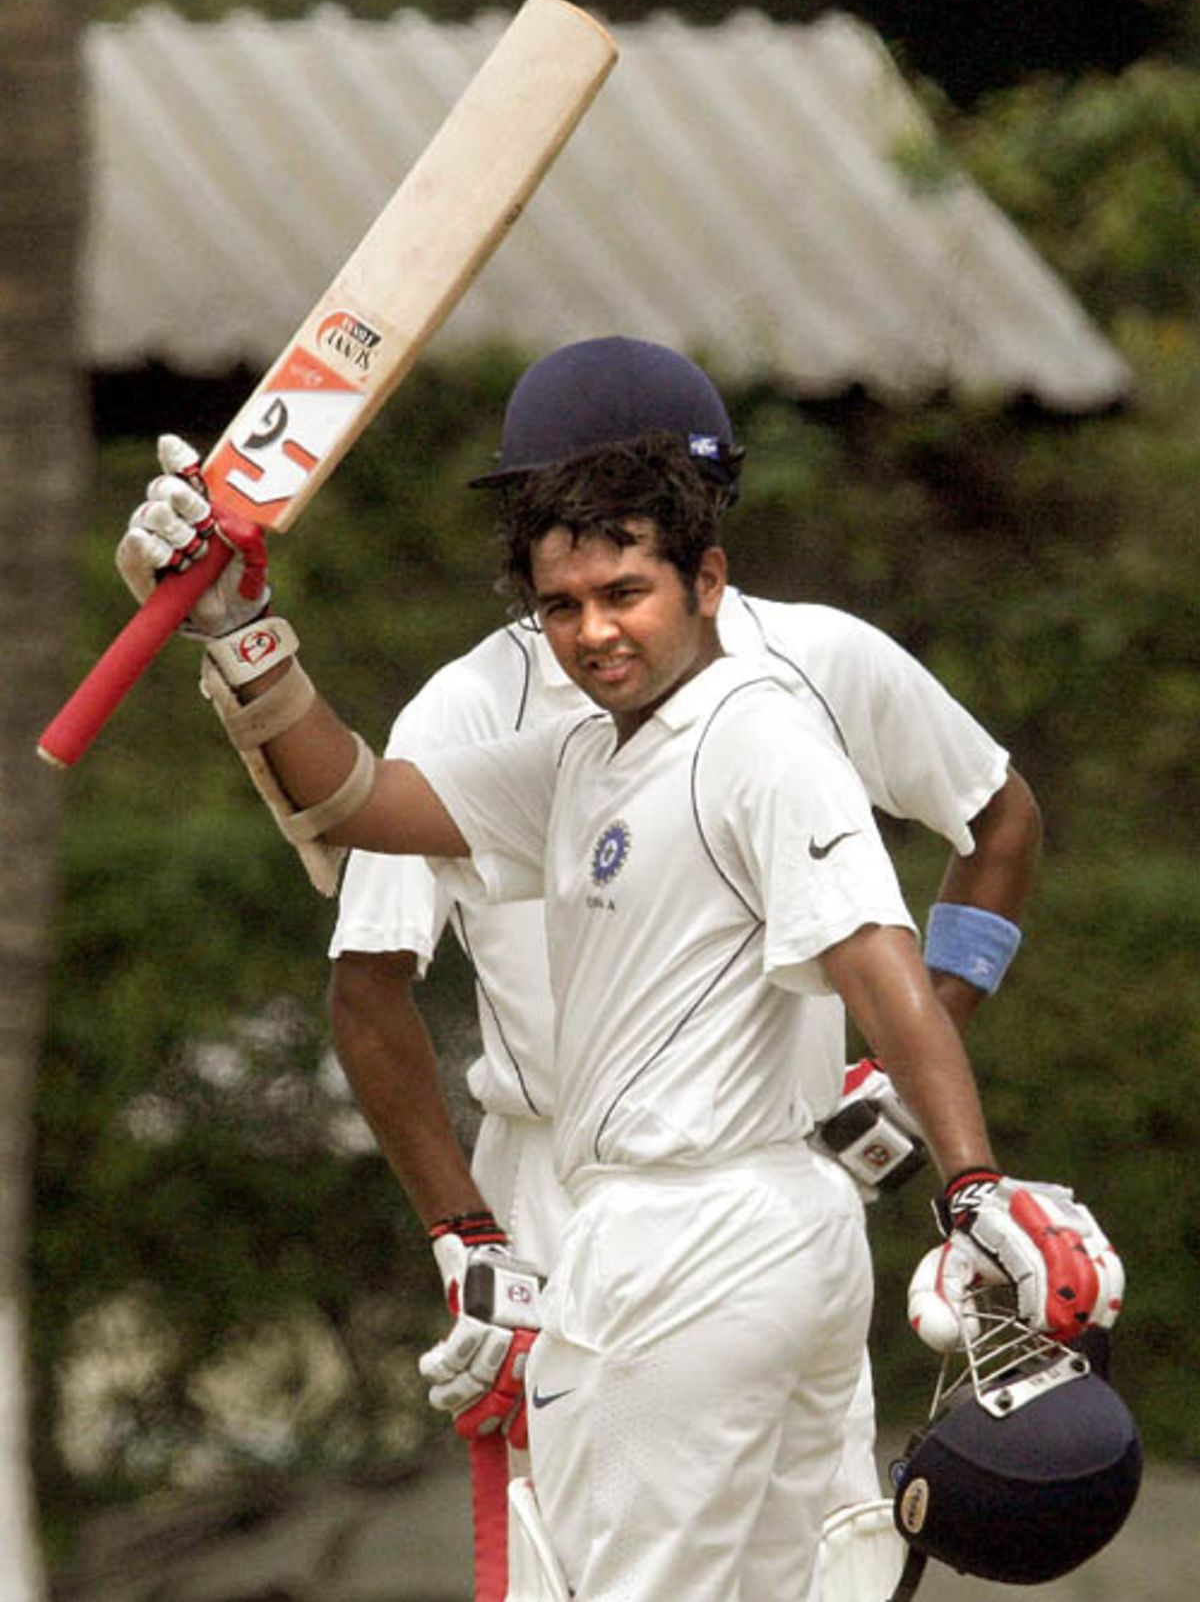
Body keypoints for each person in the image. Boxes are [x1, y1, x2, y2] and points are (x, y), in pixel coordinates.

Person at [117, 363, 1122, 1601]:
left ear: (706, 570)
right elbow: (359, 799)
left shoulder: (761, 728)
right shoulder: (583, 748)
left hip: (684, 1230)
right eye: (564, 601)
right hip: (736, 1223)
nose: (594, 627)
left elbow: (880, 952)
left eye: (625, 589)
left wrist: (967, 1176)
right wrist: (234, 628)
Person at [325, 338, 1041, 1502]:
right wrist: (468, 1238)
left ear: (700, 529)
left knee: (819, 1545)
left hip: (781, 1172)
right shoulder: (471, 706)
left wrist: (911, 1069)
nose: (597, 586)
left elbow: (997, 819)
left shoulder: (815, 660)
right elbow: (367, 986)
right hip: (559, 1193)